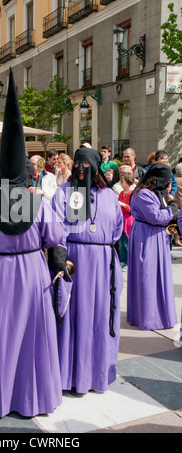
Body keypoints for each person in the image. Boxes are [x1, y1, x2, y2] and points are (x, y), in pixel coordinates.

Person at [0, 68, 67, 418]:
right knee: (34, 335)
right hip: (32, 271)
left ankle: (3, 397)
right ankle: (34, 397)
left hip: (1, 270)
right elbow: (56, 237)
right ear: (27, 176)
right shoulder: (39, 203)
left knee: (4, 333)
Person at [51, 147, 124, 395]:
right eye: (77, 164)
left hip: (103, 262)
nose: (81, 170)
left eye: (86, 165)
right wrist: (61, 259)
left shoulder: (110, 196)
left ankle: (94, 373)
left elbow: (117, 230)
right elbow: (56, 226)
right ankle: (70, 375)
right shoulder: (65, 192)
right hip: (75, 262)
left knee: (99, 316)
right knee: (74, 315)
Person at [127, 163, 178, 330]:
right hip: (146, 236)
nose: (168, 184)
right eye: (166, 180)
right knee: (147, 275)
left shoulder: (155, 193)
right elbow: (155, 216)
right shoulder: (143, 194)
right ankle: (148, 317)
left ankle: (159, 314)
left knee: (159, 275)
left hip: (156, 235)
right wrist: (172, 211)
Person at [118, 170, 135, 270]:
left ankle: (129, 262)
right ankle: (122, 260)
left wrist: (123, 204)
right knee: (120, 243)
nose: (121, 183)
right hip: (121, 218)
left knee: (127, 243)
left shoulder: (132, 193)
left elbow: (132, 208)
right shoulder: (121, 193)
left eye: (122, 181)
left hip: (129, 219)